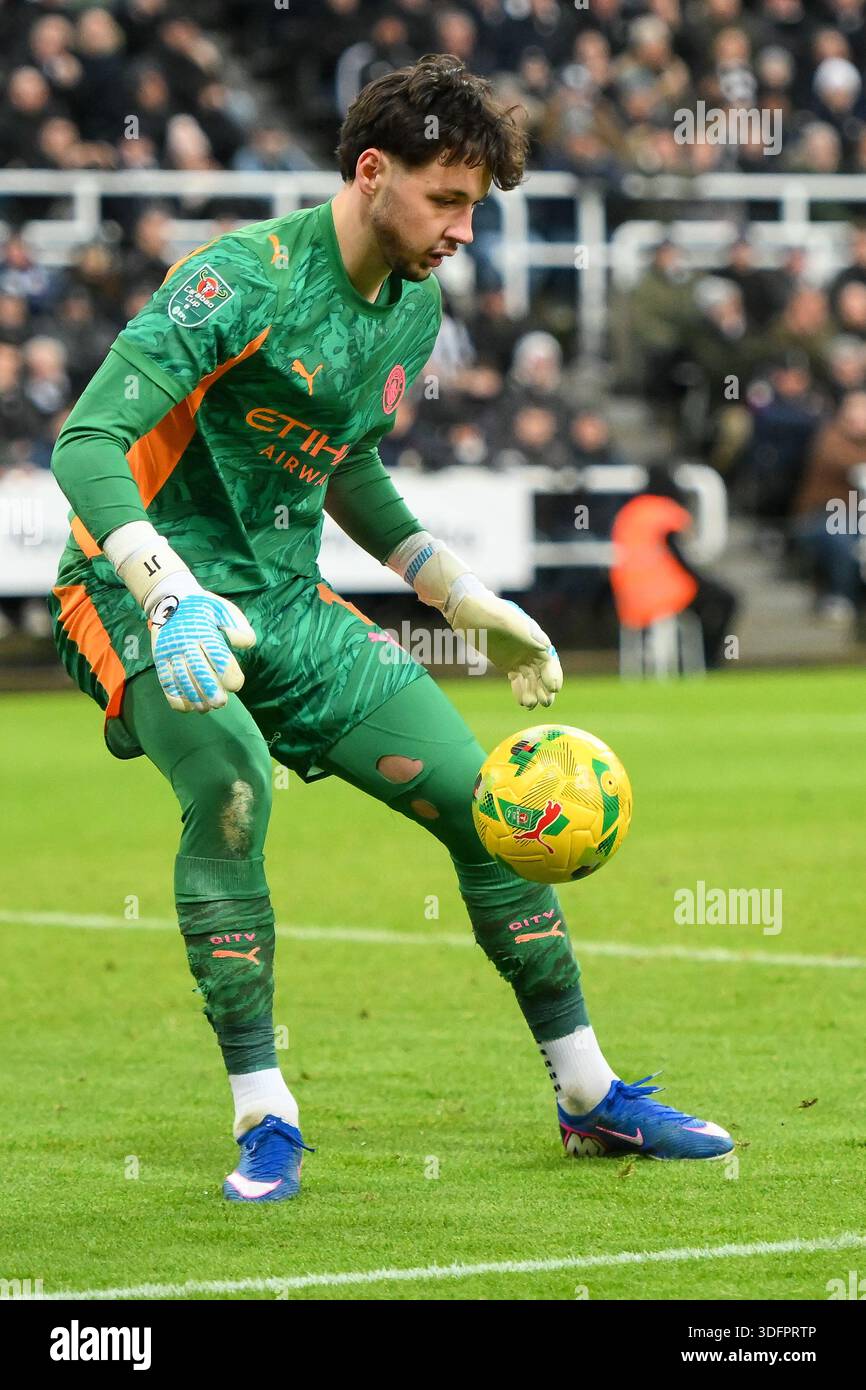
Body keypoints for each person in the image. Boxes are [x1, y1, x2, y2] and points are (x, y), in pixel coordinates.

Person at [48, 54, 732, 1206]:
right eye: (447, 197)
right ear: (372, 172)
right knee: (228, 789)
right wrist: (162, 587)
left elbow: (346, 459)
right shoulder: (237, 281)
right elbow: (83, 446)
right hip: (132, 593)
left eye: (477, 205)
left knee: (488, 807)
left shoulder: (413, 305)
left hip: (281, 600)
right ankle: (265, 1114)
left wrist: (460, 595)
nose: (464, 229)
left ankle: (587, 1097)